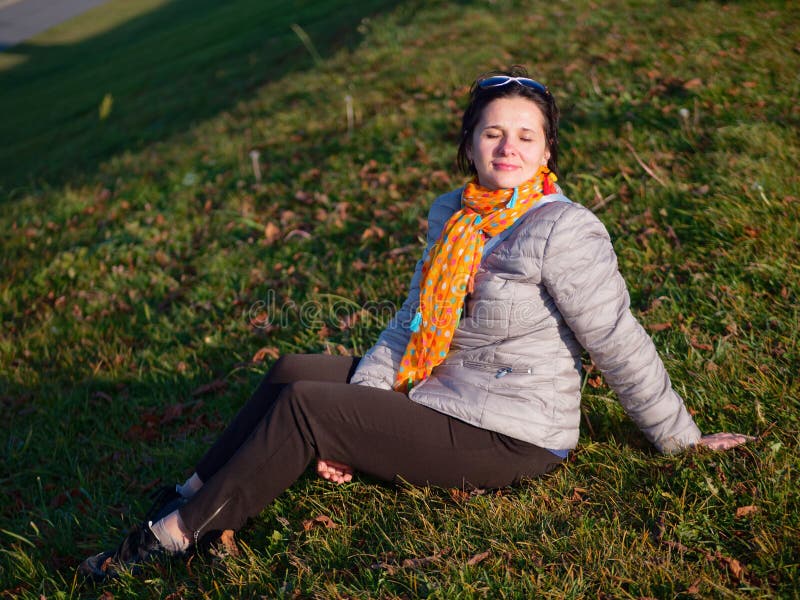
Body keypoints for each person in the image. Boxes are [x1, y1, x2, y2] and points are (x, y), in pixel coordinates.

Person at [79, 66, 751, 579]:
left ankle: (174, 537)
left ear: (547, 151)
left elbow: (616, 337)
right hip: (444, 388)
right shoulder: (453, 216)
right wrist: (366, 404)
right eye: (493, 132)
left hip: (510, 434)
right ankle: (190, 490)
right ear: (469, 144)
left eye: (526, 136)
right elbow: (413, 320)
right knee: (293, 372)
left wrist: (679, 440)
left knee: (310, 409)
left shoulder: (562, 229)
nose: (508, 147)